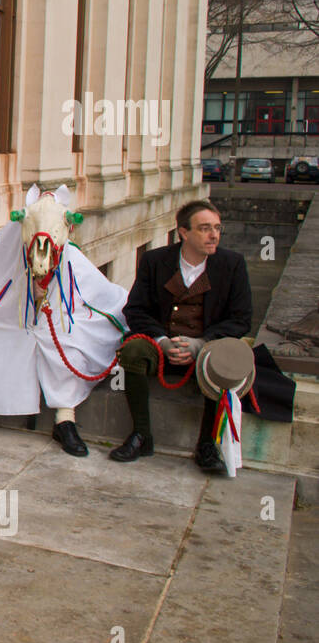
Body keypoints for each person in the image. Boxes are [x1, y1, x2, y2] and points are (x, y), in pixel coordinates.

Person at [0, 185, 129, 457]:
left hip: (56, 322)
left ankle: (65, 419)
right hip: (11, 320)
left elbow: (97, 293)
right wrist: (25, 291)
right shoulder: (6, 255)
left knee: (71, 345)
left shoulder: (71, 259)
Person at [109, 199, 252, 472]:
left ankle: (208, 445)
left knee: (224, 360)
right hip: (162, 342)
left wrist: (201, 344)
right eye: (205, 229)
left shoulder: (232, 264)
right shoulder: (155, 260)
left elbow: (241, 319)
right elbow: (135, 310)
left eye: (217, 228)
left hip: (207, 345)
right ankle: (142, 435)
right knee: (133, 351)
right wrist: (161, 341)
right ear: (184, 232)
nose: (214, 235)